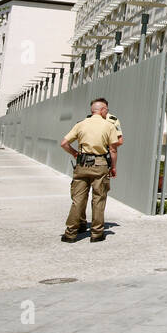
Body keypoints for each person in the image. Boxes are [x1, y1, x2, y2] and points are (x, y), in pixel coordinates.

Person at [59, 99, 123, 243]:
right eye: (106, 110)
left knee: (78, 200)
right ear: (102, 110)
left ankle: (70, 234)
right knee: (99, 199)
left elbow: (64, 143)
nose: (107, 112)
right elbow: (113, 149)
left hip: (82, 165)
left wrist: (75, 153)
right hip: (100, 165)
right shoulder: (109, 126)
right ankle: (96, 233)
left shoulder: (80, 124)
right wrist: (113, 167)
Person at [76, 98, 121, 231]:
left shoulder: (113, 120)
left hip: (103, 158)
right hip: (86, 159)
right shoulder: (87, 120)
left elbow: (119, 141)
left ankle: (95, 227)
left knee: (98, 195)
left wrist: (102, 142)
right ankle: (82, 222)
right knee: (81, 196)